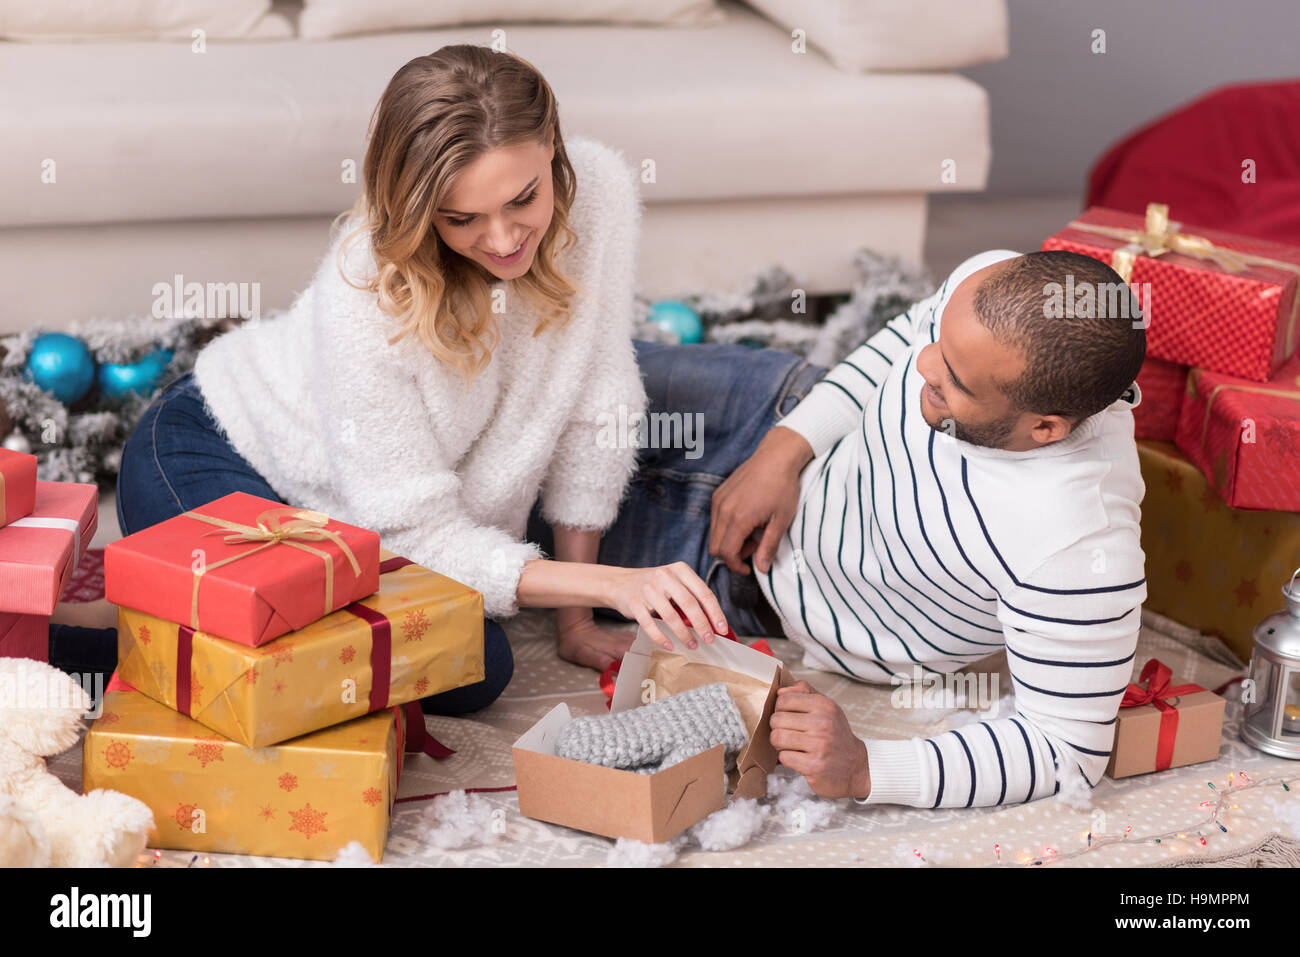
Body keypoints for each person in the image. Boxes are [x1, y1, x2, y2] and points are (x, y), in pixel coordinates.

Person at [114, 44, 826, 714]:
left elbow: (594, 397)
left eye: (523, 198)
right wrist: (613, 583)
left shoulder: (599, 192)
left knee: (468, 665)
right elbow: (411, 530)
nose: (504, 238)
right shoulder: (365, 288)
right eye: (462, 218)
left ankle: (178, 622)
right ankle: (96, 646)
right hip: (220, 453)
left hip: (348, 515)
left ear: (551, 146)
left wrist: (578, 620)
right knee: (453, 662)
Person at [703, 249, 1148, 809]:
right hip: (783, 418)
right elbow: (898, 341)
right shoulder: (991, 290)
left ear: (1043, 428)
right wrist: (785, 447)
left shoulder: (1076, 546)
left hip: (759, 583)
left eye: (952, 382)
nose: (923, 365)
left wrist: (866, 768)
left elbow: (1066, 752)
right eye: (940, 338)